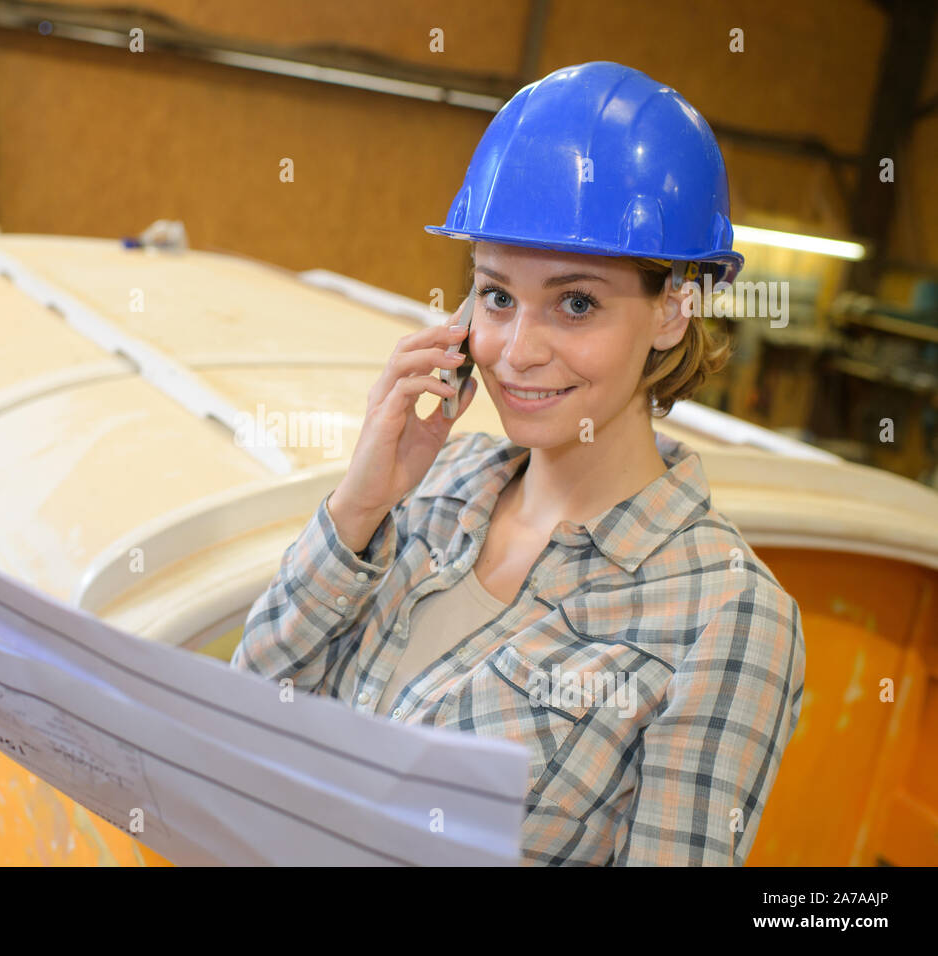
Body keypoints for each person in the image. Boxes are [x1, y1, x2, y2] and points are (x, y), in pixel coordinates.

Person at [231, 61, 805, 866]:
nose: (516, 351)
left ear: (676, 308)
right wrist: (358, 506)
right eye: (497, 296)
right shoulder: (438, 484)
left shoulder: (724, 616)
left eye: (576, 303)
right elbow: (246, 721)